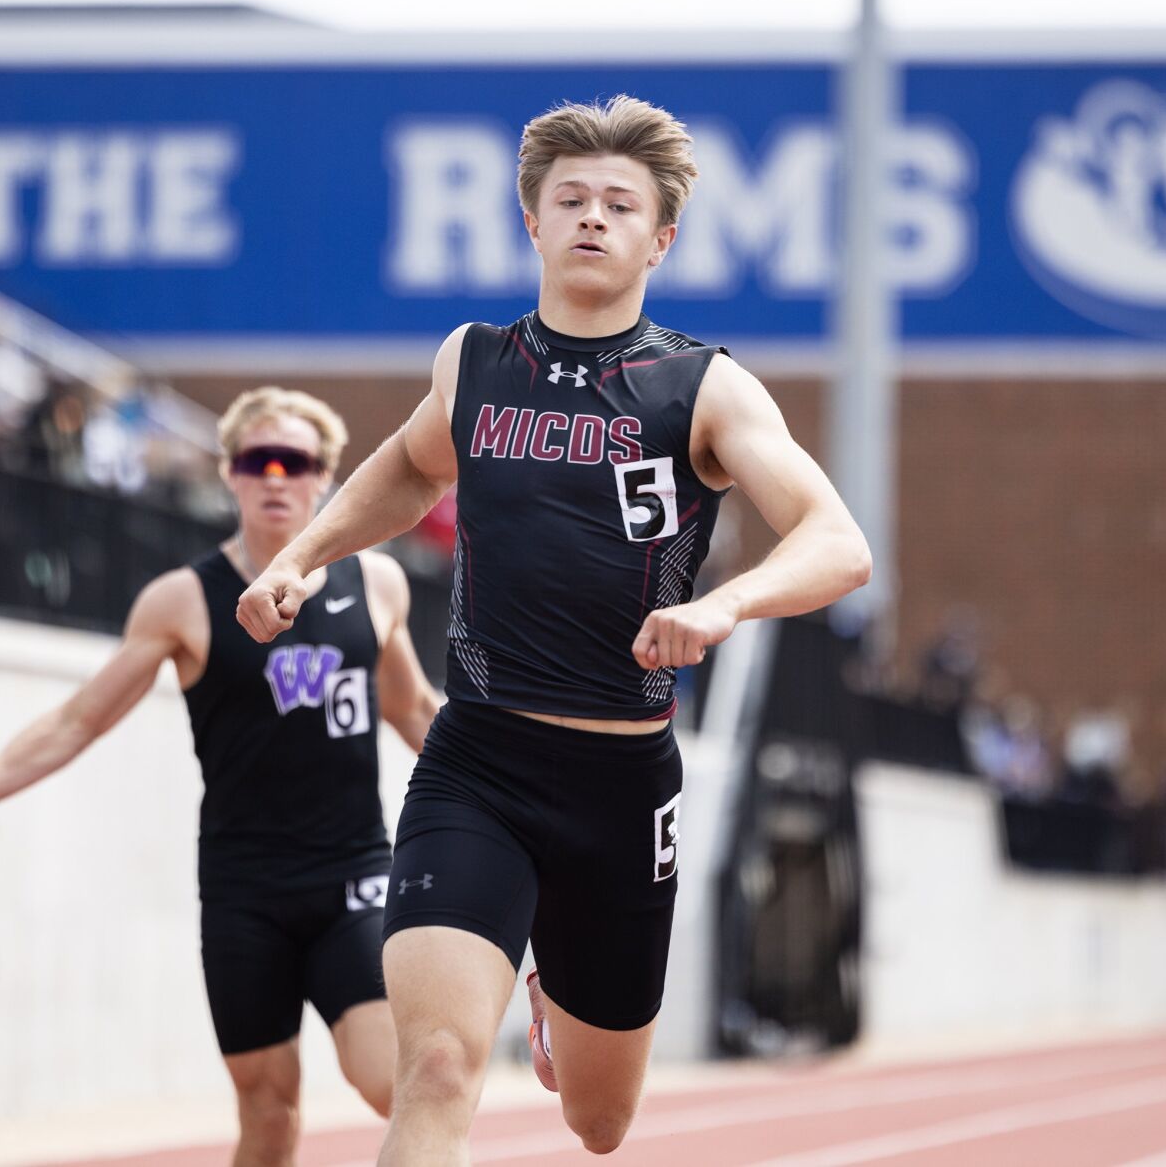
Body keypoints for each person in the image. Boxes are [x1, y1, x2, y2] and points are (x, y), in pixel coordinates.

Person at [236, 95, 871, 1164]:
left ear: (660, 237)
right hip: (476, 761)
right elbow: (405, 464)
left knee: (599, 1120)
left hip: (621, 789)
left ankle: (551, 996)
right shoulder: (475, 362)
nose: (591, 217)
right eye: (568, 198)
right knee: (436, 1067)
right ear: (530, 220)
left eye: (619, 204)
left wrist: (723, 604)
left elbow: (837, 540)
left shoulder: (702, 388)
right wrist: (304, 554)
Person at [0, 387, 439, 1167]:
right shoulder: (182, 601)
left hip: (353, 880)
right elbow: (77, 721)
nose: (275, 476)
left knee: (393, 1084)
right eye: (256, 460)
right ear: (228, 473)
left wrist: (513, 797)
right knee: (270, 1118)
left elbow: (411, 711)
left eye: (295, 461)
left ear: (326, 476)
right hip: (245, 893)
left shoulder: (376, 586)